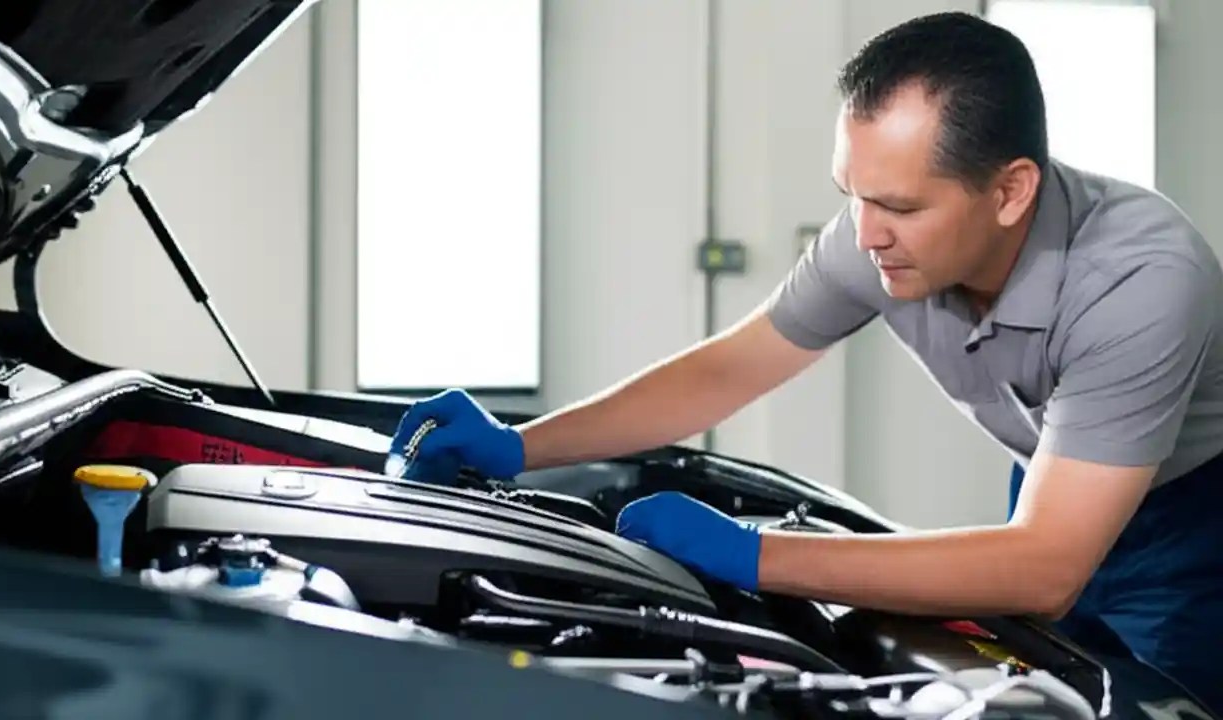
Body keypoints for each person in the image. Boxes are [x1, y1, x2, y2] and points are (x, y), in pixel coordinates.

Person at [388, 11, 1223, 711]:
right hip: (1051, 482)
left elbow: (1043, 565)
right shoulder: (879, 238)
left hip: (1189, 528)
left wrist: (758, 555)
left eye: (897, 205)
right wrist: (522, 444)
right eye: (850, 194)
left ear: (1010, 192)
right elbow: (731, 368)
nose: (863, 237)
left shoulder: (1141, 281)